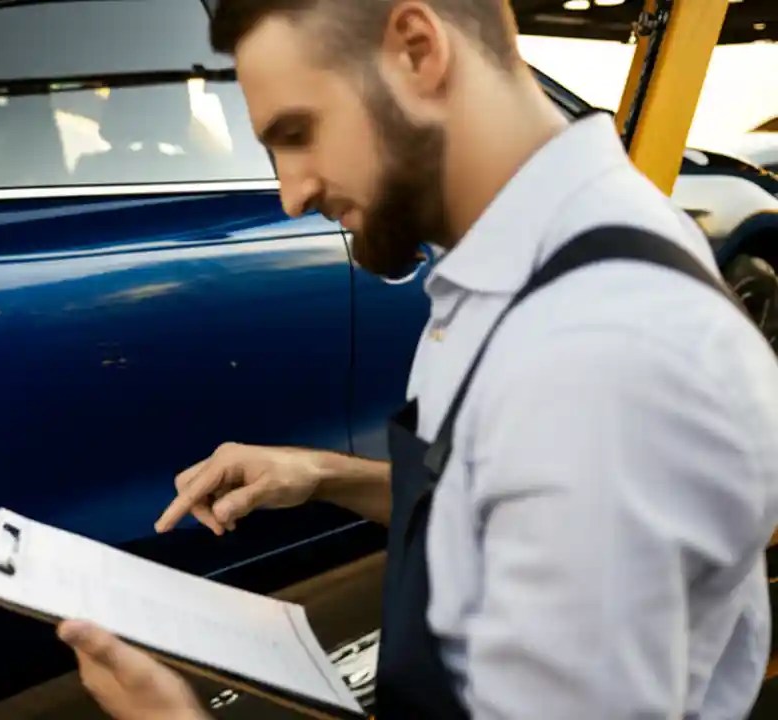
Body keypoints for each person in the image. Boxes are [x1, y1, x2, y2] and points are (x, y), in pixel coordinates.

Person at [57, 0, 778, 718]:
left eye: (299, 133)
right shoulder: (526, 270)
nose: (291, 193)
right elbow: (501, 502)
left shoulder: (600, 354)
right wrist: (321, 476)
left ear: (415, 49)